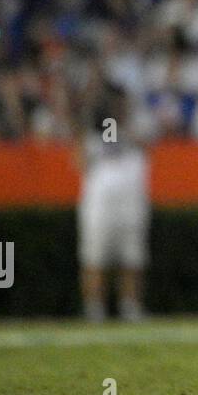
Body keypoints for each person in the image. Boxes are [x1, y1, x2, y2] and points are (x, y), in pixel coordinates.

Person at [76, 83, 150, 322]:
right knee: (95, 260)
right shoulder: (92, 135)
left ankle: (130, 308)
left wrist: (123, 131)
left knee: (132, 259)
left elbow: (147, 147)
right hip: (99, 207)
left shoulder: (138, 127)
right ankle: (94, 310)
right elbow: (79, 160)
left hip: (131, 205)